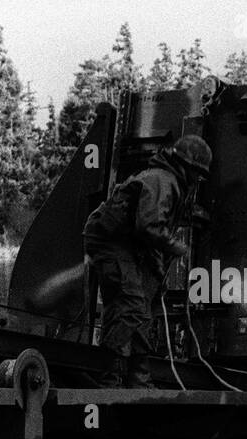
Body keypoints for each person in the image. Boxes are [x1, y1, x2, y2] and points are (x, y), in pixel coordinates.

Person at [82, 134, 212, 387]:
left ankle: (137, 379)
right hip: (109, 243)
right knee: (130, 305)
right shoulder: (164, 181)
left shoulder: (167, 181)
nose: (198, 180)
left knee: (140, 309)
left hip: (125, 245)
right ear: (188, 167)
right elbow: (149, 227)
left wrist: (157, 269)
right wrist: (175, 246)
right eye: (198, 173)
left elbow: (147, 236)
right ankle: (108, 376)